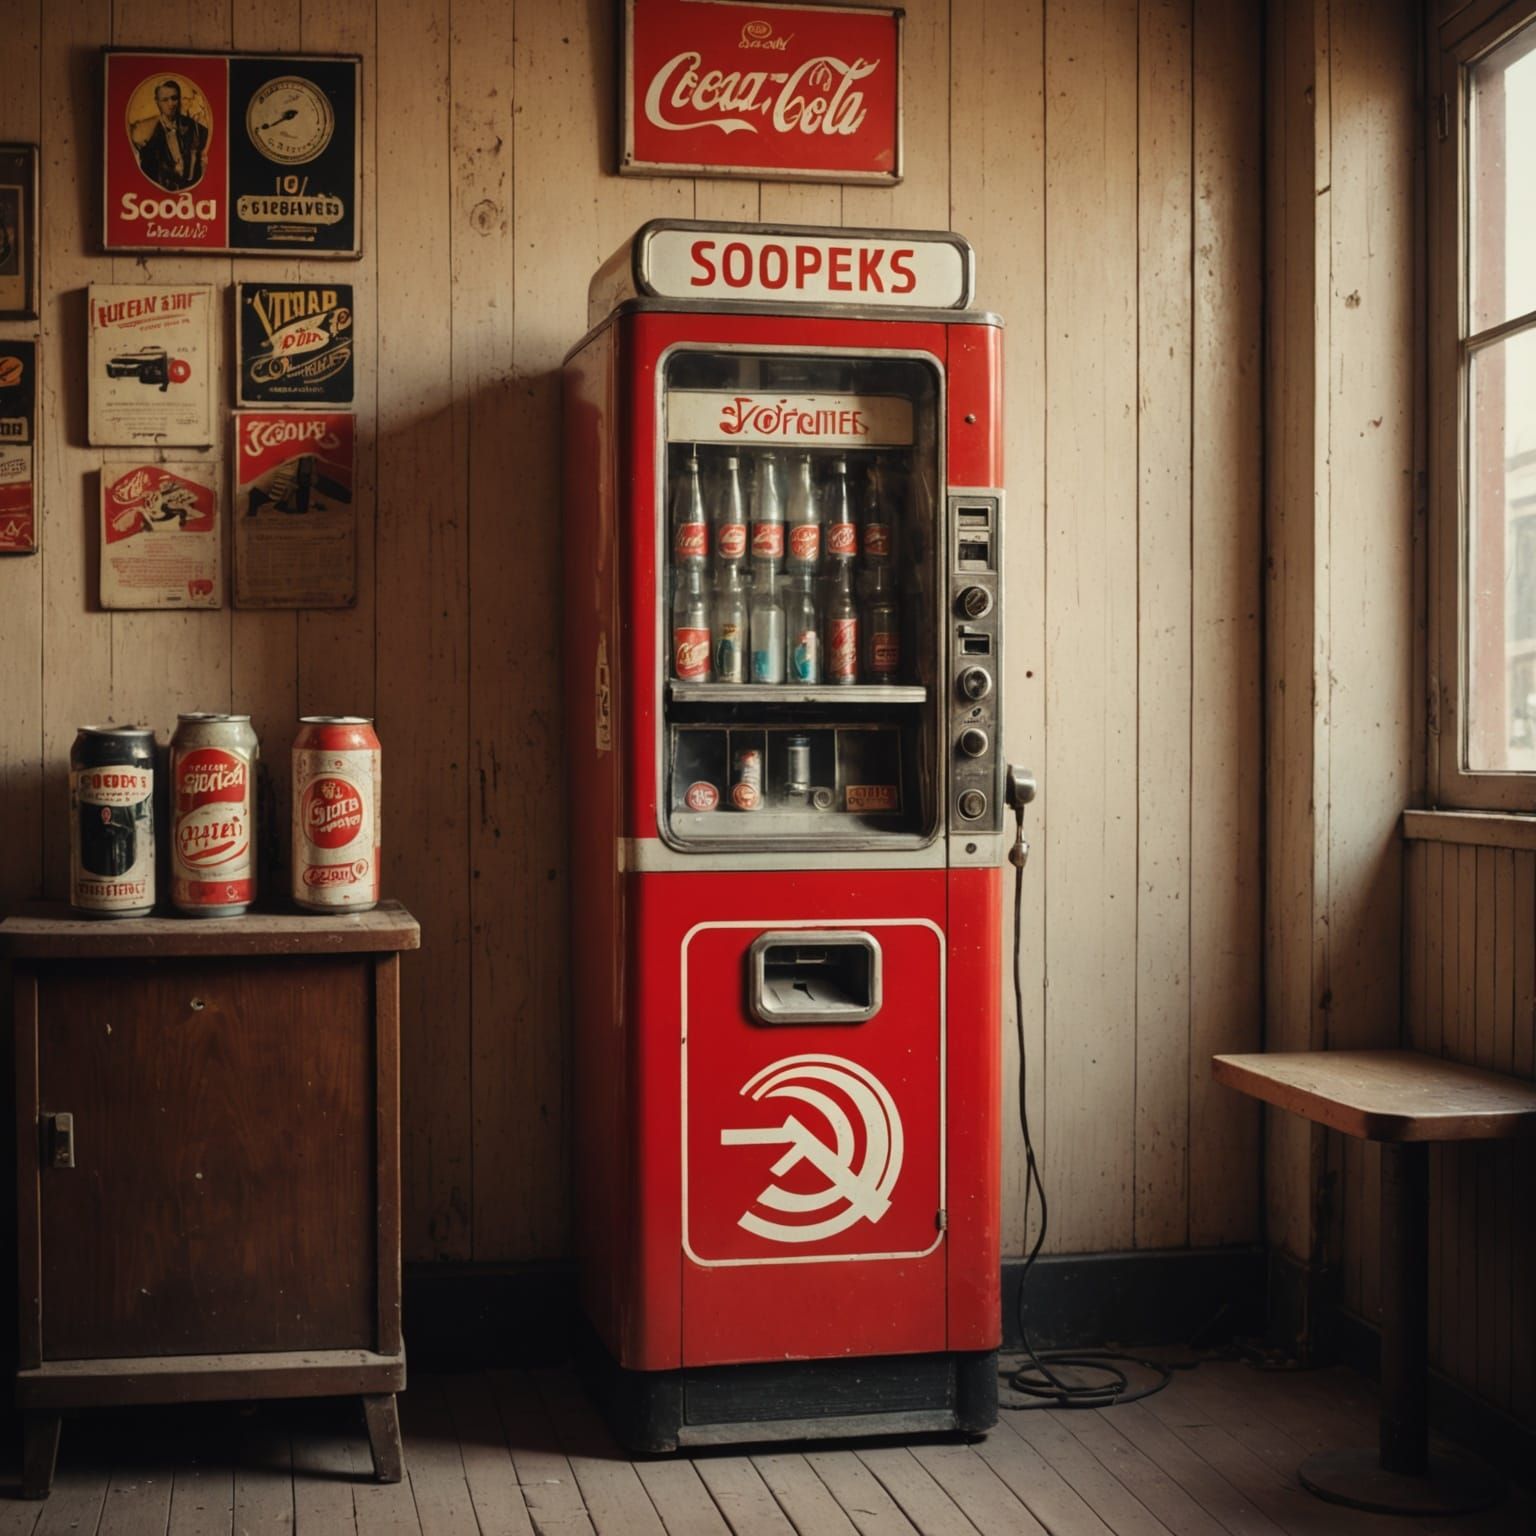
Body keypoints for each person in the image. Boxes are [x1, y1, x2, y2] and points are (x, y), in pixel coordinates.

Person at [130, 80, 208, 192]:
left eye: (174, 98)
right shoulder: (150, 137)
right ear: (157, 102)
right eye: (165, 100)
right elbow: (148, 173)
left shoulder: (194, 128)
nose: (171, 104)